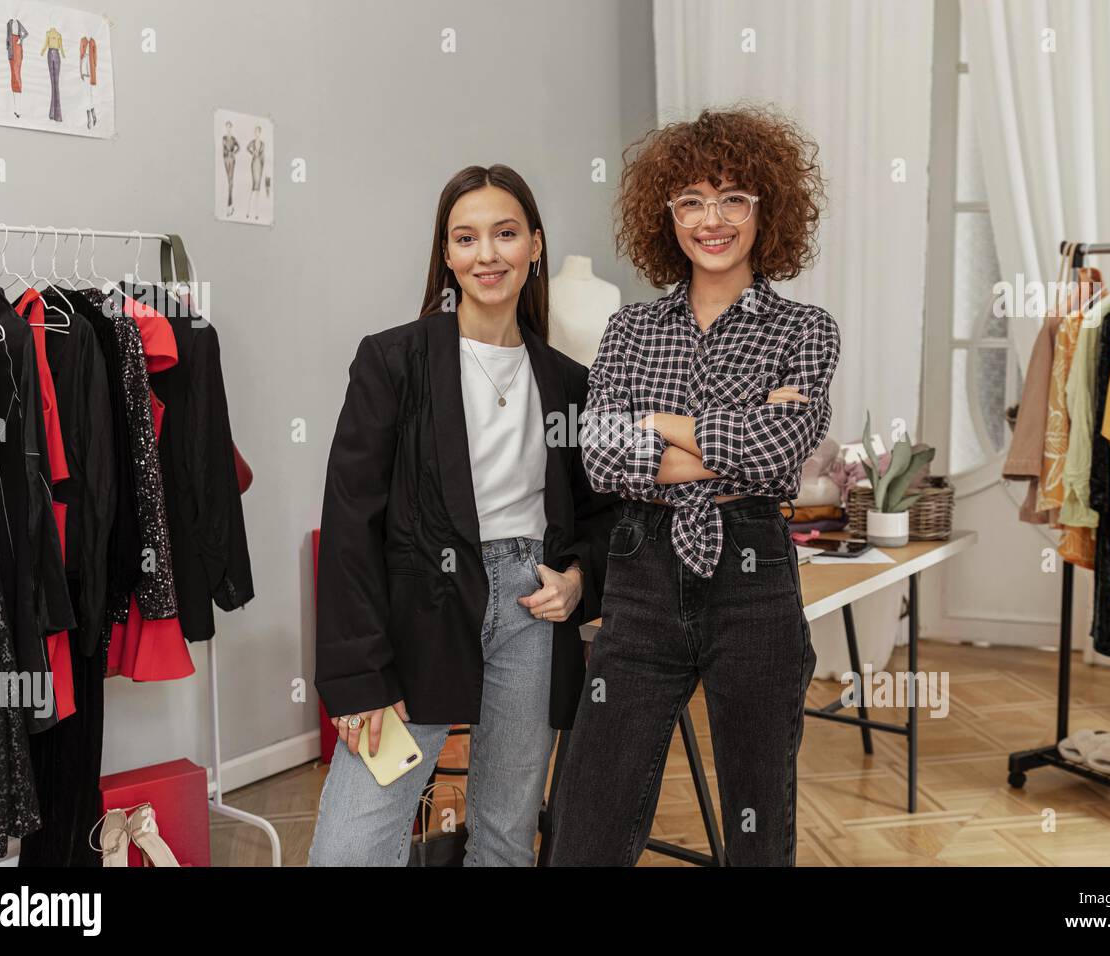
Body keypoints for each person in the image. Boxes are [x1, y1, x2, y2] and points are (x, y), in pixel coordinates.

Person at [548, 107, 841, 866]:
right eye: (691, 201)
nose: (713, 220)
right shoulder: (629, 330)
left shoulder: (805, 329)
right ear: (666, 215)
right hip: (641, 577)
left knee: (756, 821)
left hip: (754, 576)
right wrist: (733, 432)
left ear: (765, 209)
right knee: (588, 815)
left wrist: (656, 419)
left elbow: (780, 456)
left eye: (734, 197)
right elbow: (603, 462)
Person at [309, 164, 619, 866]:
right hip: (420, 611)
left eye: (505, 234)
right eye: (467, 237)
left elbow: (603, 516)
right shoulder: (393, 361)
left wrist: (576, 580)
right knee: (353, 845)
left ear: (534, 246)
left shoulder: (570, 383)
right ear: (446, 254)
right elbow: (350, 522)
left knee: (507, 837)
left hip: (531, 614)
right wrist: (360, 679)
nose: (488, 254)